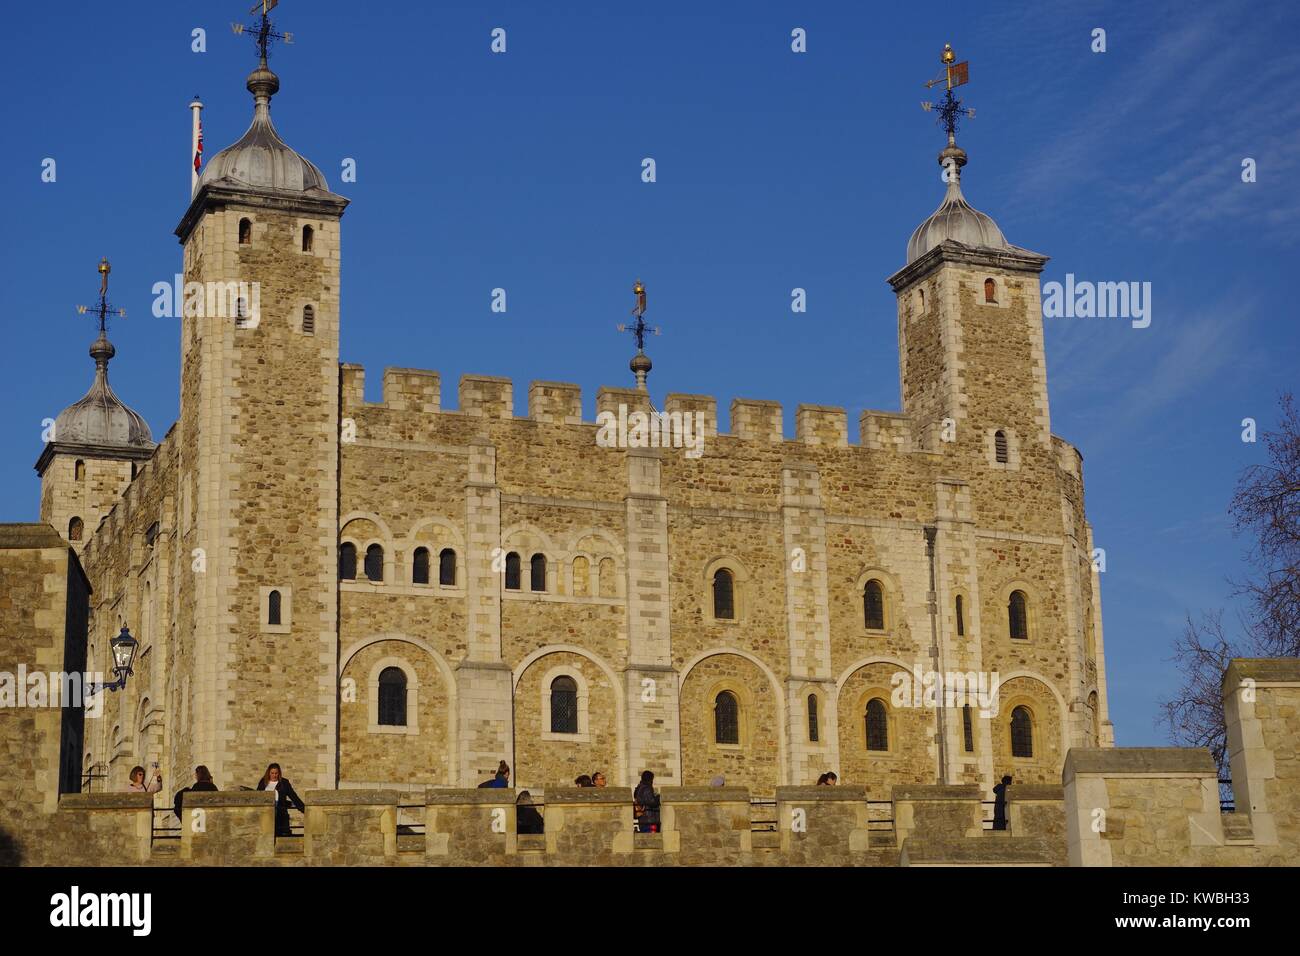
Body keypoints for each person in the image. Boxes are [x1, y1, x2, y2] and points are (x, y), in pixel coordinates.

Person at [256, 762, 306, 837]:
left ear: (279, 773)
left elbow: (294, 797)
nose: (274, 775)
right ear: (268, 773)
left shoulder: (284, 783)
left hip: (280, 816)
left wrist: (305, 810)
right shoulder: (263, 782)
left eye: (276, 773)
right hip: (265, 815)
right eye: (272, 773)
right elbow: (257, 796)